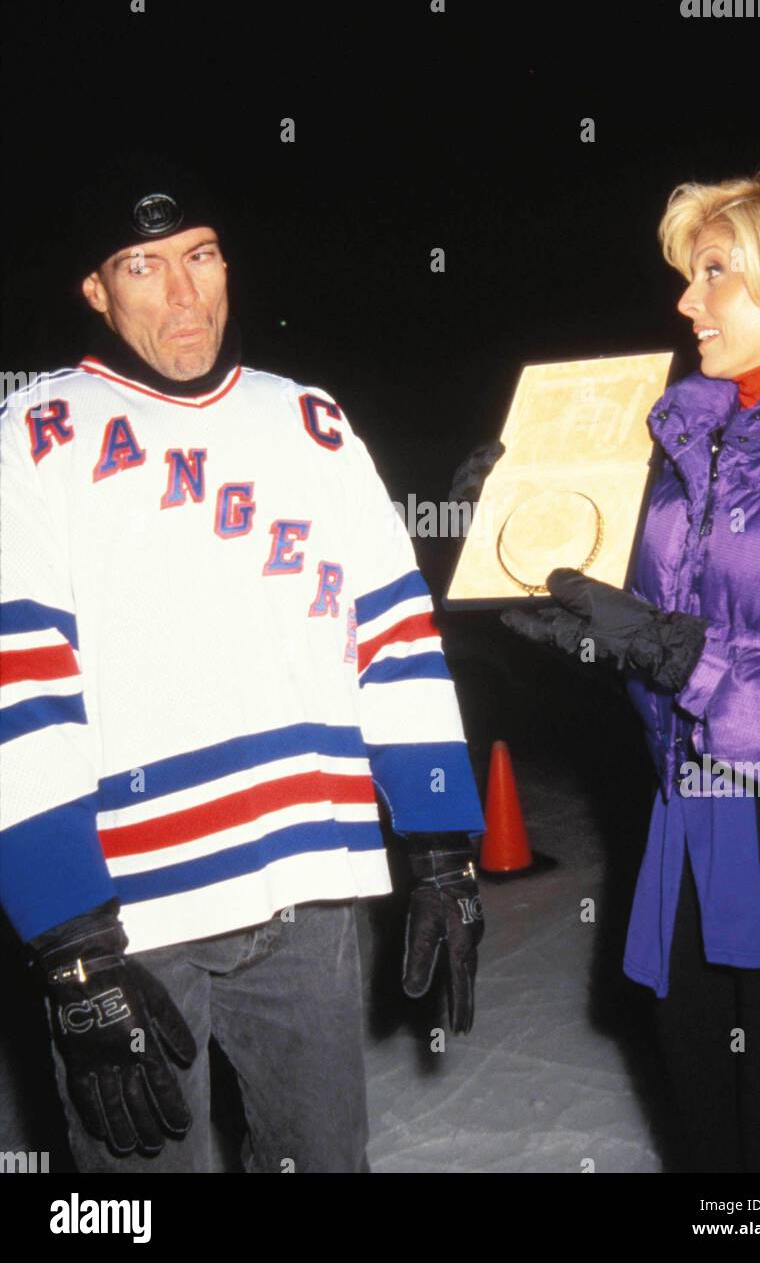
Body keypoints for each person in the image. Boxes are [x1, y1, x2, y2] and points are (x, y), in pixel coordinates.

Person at [0, 155, 485, 1173]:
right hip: (130, 925)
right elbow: (22, 692)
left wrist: (440, 838)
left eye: (202, 255)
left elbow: (393, 631)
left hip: (304, 906)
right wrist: (69, 943)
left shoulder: (310, 420)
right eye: (143, 265)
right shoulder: (33, 438)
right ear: (94, 289)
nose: (183, 294)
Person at [466, 162, 760, 1173]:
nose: (685, 300)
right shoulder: (685, 438)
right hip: (684, 817)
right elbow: (653, 649)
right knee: (703, 1128)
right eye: (688, 275)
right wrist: (554, 600)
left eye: (713, 273)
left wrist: (671, 649)